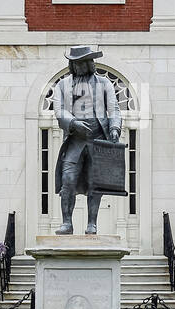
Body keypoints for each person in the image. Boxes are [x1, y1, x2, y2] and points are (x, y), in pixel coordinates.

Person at [52, 45, 123, 234]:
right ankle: (67, 223)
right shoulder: (62, 85)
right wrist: (74, 123)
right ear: (72, 65)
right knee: (68, 180)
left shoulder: (104, 83)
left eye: (84, 62)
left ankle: (92, 224)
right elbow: (59, 111)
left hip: (98, 139)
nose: (80, 66)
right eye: (76, 63)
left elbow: (114, 109)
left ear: (91, 63)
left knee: (95, 182)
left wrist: (115, 128)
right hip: (75, 139)